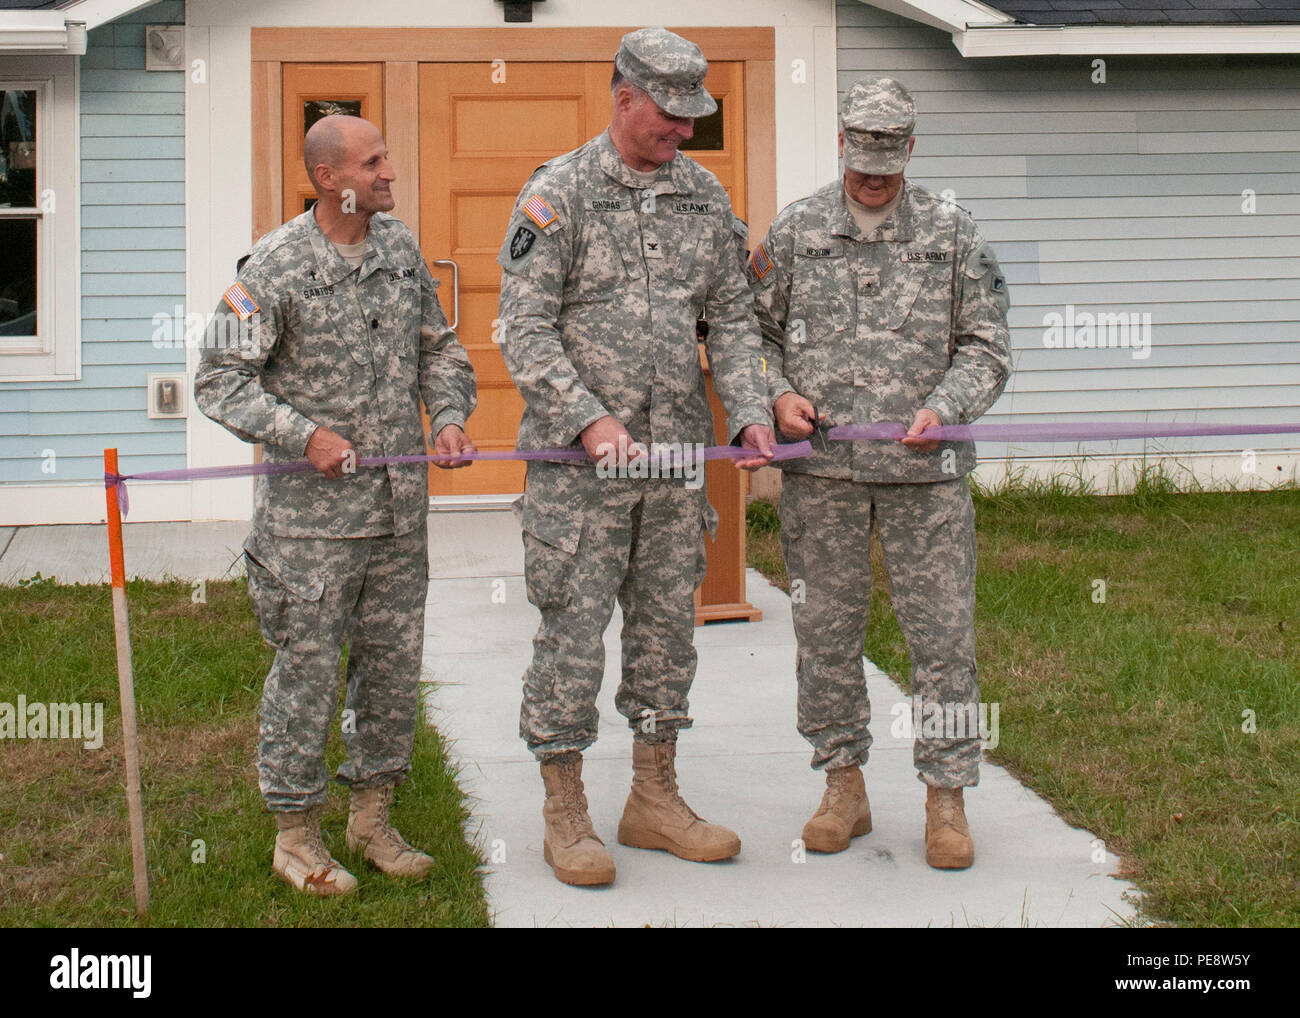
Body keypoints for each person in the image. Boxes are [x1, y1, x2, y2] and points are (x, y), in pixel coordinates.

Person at [496, 26, 777, 886]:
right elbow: (523, 328)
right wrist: (586, 420)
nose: (683, 132)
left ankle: (653, 797)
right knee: (572, 639)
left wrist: (753, 415)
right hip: (582, 478)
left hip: (672, 468)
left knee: (664, 638)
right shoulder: (559, 194)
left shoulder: (702, 195)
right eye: (669, 114)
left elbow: (731, 321)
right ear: (624, 100)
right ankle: (565, 810)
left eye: (695, 116)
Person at [194, 114, 478, 895]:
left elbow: (438, 347)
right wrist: (302, 433)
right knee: (309, 676)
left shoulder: (399, 248)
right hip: (312, 528)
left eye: (387, 157)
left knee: (389, 671)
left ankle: (372, 817)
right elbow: (217, 378)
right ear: (330, 177)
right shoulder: (276, 265)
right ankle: (295, 835)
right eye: (374, 161)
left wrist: (449, 414)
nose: (391, 172)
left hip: (396, 516)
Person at [749, 77, 1012, 869]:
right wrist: (780, 393)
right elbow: (748, 336)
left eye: (886, 163)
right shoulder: (797, 230)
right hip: (823, 477)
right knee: (825, 635)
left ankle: (946, 799)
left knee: (943, 640)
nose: (872, 177)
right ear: (841, 145)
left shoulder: (952, 231)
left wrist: (946, 405)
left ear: (909, 151)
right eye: (861, 161)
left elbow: (989, 344)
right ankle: (842, 787)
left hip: (925, 479)